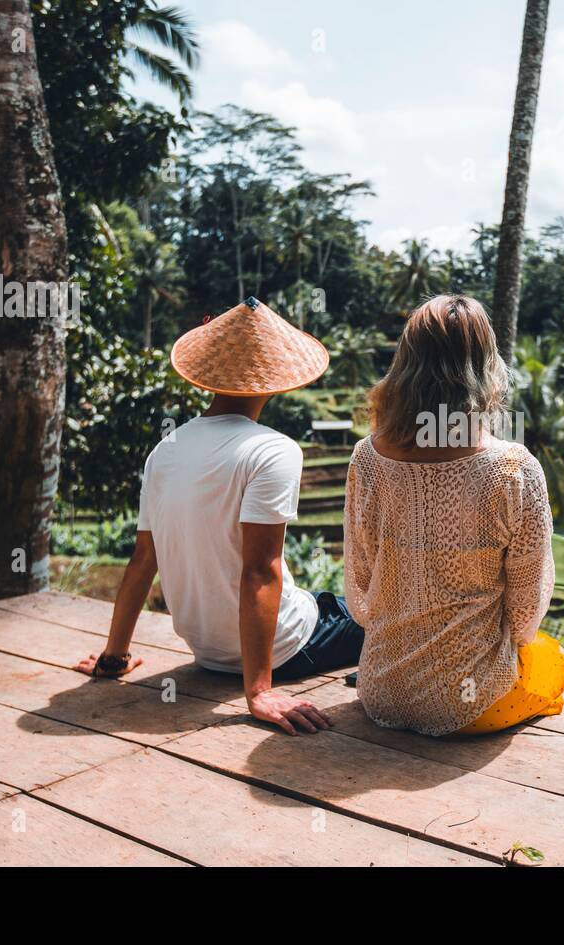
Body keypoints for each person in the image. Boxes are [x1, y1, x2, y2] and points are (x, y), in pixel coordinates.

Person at [75, 296, 363, 736]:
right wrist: (259, 691)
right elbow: (260, 571)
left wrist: (114, 656)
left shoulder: (164, 450)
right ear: (278, 379)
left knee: (326, 602)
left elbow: (142, 561)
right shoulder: (272, 449)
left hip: (207, 652)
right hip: (285, 649)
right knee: (376, 614)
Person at [343, 293, 564, 737]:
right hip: (474, 706)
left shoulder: (366, 457)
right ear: (487, 366)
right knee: (555, 660)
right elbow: (526, 615)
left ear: (405, 363)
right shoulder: (514, 468)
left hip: (381, 689)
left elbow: (361, 588)